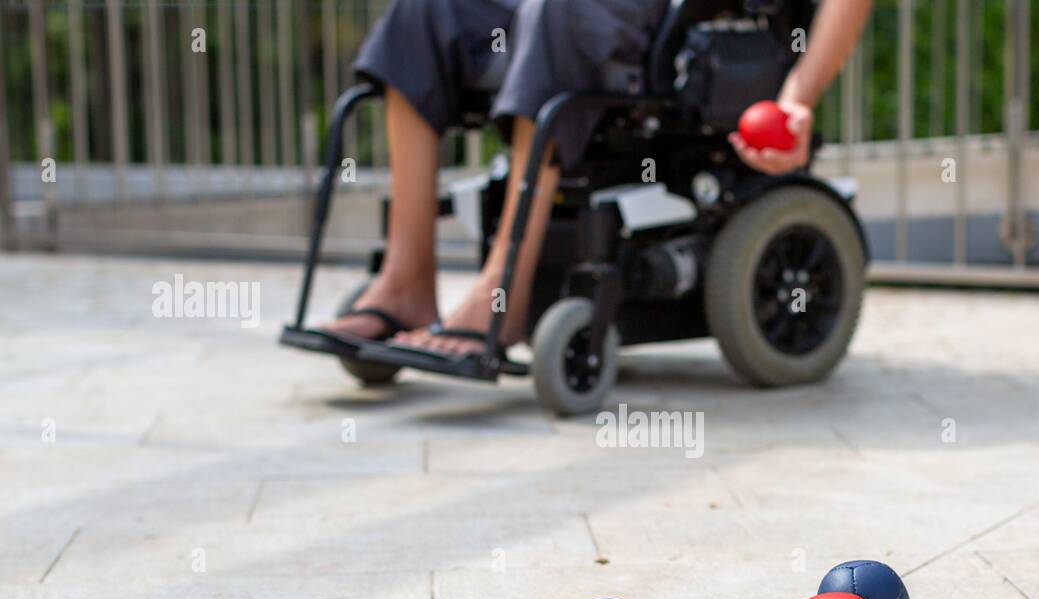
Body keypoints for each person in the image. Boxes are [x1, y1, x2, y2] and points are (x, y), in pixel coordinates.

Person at [317, 0, 872, 363]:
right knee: (425, 13)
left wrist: (796, 100)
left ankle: (500, 295)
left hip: (707, 24)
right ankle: (405, 280)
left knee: (558, 12)